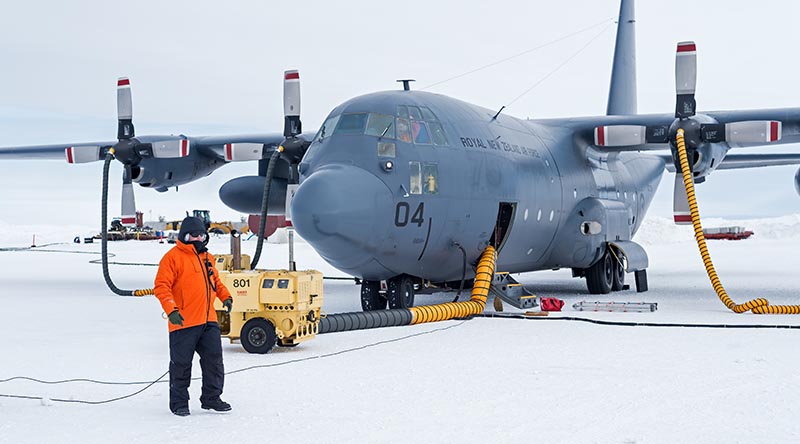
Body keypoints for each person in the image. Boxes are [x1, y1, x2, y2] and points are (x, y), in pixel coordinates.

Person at [154, 216, 234, 416]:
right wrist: (172, 310)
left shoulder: (208, 258)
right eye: (194, 235)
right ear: (184, 236)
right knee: (181, 365)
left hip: (208, 320)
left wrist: (226, 297)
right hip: (183, 322)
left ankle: (211, 398)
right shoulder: (172, 258)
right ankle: (179, 404)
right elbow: (161, 287)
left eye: (201, 235)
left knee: (214, 361)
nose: (198, 238)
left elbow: (216, 282)